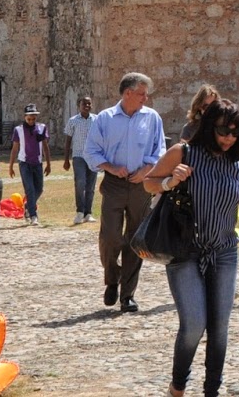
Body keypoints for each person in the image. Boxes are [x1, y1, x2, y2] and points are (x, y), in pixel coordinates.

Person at [144, 99, 239, 397]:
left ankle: (212, 391)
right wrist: (170, 181)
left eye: (235, 133)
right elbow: (149, 183)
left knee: (219, 327)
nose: (228, 138)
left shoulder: (237, 165)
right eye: (223, 130)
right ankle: (178, 385)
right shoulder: (183, 152)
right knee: (195, 323)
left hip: (223, 251)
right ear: (209, 126)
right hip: (185, 250)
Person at [84, 71, 166, 312]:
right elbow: (91, 151)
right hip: (114, 183)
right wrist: (111, 167)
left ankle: (127, 295)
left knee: (135, 239)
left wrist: (148, 169)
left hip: (142, 184)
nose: (145, 99)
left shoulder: (152, 118)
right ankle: (112, 278)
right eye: (142, 94)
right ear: (127, 93)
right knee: (110, 237)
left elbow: (160, 148)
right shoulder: (105, 119)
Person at [7, 104, 51, 225]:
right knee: (30, 189)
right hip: (24, 163)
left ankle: (28, 206)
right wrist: (11, 166)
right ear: (25, 117)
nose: (31, 121)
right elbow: (15, 148)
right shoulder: (18, 130)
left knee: (39, 189)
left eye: (33, 119)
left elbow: (45, 147)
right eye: (29, 119)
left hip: (37, 163)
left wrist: (48, 163)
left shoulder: (42, 128)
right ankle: (33, 215)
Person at [64, 95, 97, 224]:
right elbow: (68, 140)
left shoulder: (96, 119)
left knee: (91, 185)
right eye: (85, 104)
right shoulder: (73, 121)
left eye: (89, 104)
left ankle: (88, 213)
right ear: (79, 105)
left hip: (93, 156)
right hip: (78, 156)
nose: (87, 106)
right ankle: (79, 212)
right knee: (80, 183)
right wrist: (66, 159)